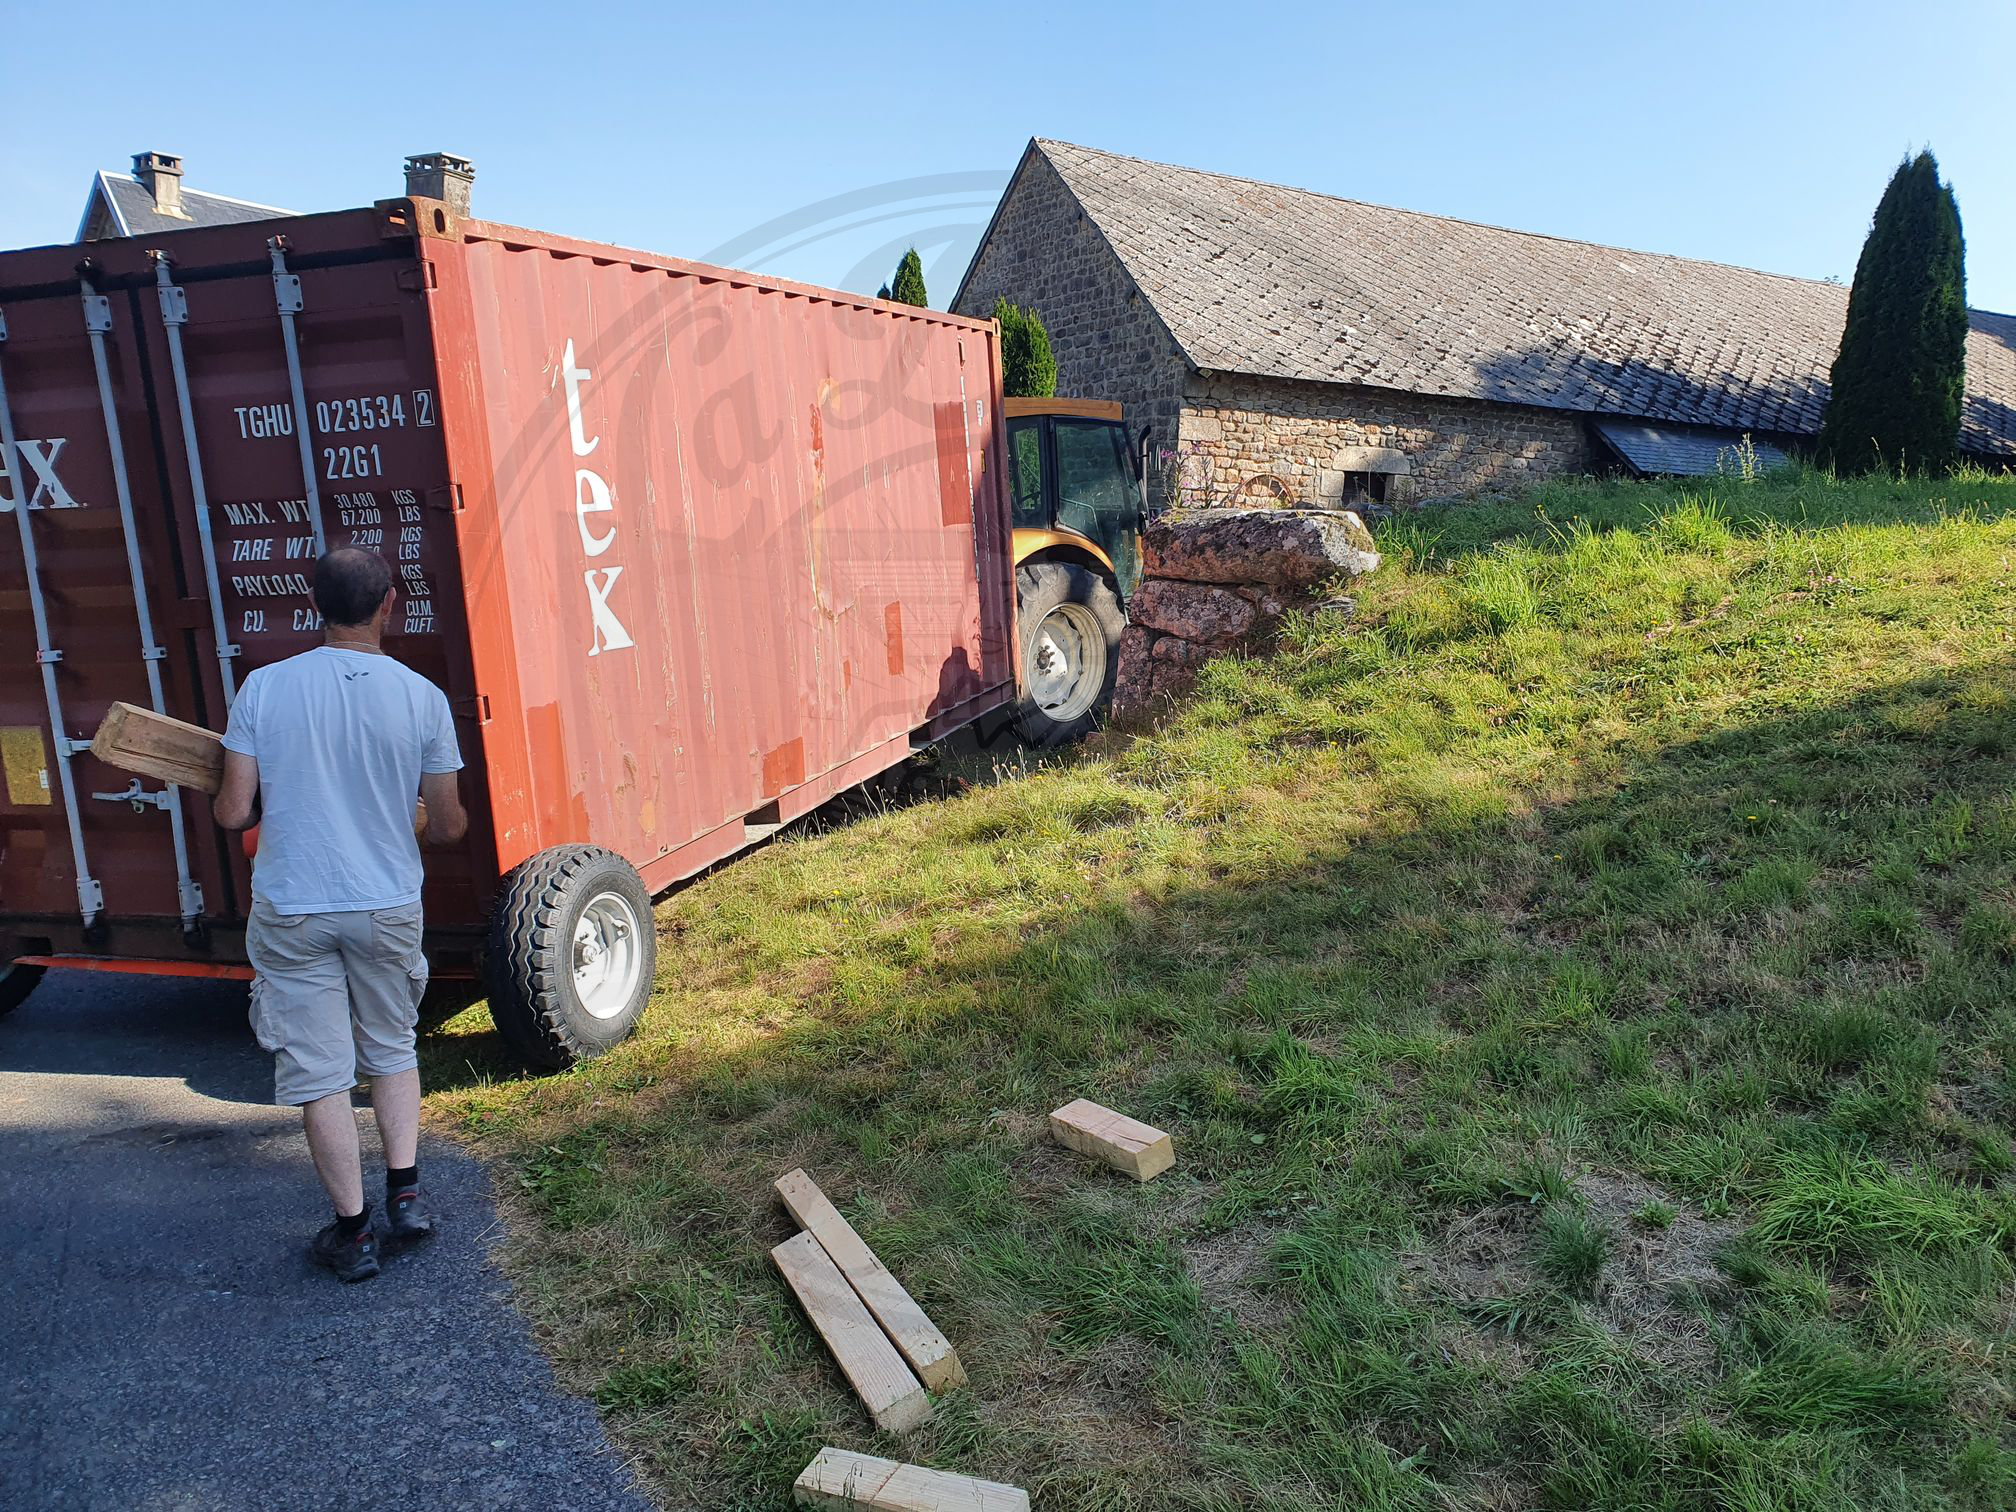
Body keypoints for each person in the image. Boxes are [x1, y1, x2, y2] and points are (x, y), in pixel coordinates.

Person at [214, 547, 469, 1282]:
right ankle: (408, 1195)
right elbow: (448, 826)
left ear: (312, 602)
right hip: (386, 904)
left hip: (294, 905)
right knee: (391, 1045)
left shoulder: (263, 688)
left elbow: (234, 812)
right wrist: (402, 818)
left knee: (321, 1070)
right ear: (390, 603)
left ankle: (354, 1235)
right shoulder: (419, 696)